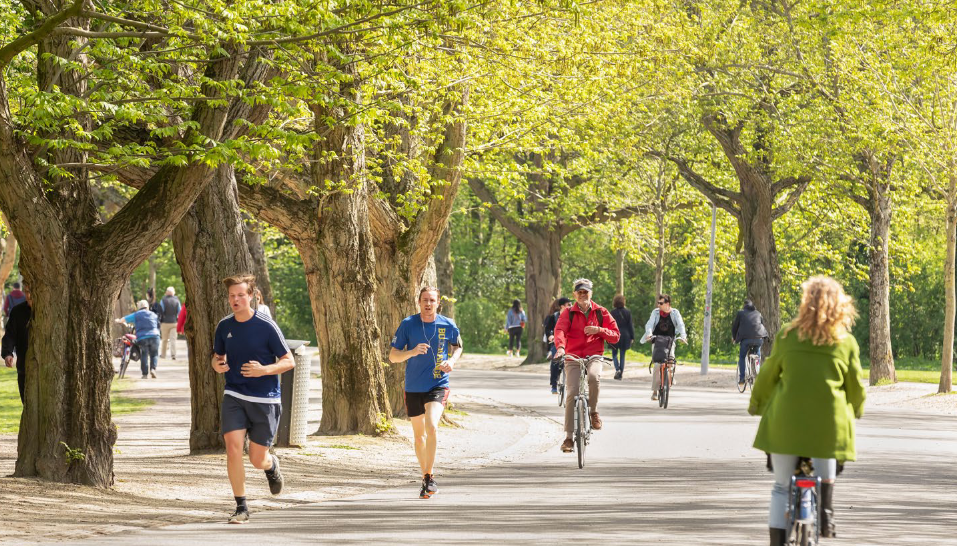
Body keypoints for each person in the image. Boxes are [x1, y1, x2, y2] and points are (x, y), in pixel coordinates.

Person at [749, 276, 866, 545]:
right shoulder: (846, 343)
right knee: (827, 467)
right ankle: (826, 514)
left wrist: (757, 404)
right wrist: (857, 409)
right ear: (840, 306)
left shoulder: (787, 336)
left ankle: (777, 542)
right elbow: (855, 387)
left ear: (805, 304)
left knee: (780, 488)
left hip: (785, 427)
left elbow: (768, 376)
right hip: (828, 428)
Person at [212, 274, 294, 524]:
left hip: (265, 399)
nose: (235, 300)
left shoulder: (266, 325)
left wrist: (264, 370)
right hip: (235, 394)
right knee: (233, 448)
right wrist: (218, 365)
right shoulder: (224, 326)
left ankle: (271, 466)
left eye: (240, 295)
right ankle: (241, 507)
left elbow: (288, 361)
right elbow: (217, 358)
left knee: (257, 458)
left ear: (252, 297)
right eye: (231, 296)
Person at [389, 287, 463, 499]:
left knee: (432, 426)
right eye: (424, 300)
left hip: (438, 383)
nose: (428, 304)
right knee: (419, 437)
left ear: (438, 303)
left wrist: (452, 360)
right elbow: (393, 356)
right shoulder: (408, 324)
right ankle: (426, 477)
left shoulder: (447, 324)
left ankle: (429, 478)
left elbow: (458, 346)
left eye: (432, 300)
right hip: (413, 386)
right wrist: (412, 351)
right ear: (419, 302)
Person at [553, 279, 620, 453]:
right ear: (574, 294)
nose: (583, 295)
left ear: (591, 293)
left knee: (593, 377)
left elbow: (615, 336)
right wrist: (560, 348)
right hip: (572, 356)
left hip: (594, 355)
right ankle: (568, 437)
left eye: (586, 292)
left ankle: (593, 411)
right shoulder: (568, 313)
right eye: (579, 292)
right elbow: (559, 330)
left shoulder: (601, 312)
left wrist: (599, 330)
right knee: (572, 392)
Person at [640, 294, 687, 400]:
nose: (658, 305)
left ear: (667, 304)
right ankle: (655, 391)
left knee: (671, 361)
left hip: (670, 341)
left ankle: (670, 376)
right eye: (658, 303)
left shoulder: (675, 313)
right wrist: (649, 333)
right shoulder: (655, 312)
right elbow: (649, 324)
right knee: (657, 365)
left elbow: (680, 325)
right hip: (657, 341)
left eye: (661, 303)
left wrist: (683, 336)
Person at [115, 300, 162, 378]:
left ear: (139, 307)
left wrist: (118, 320)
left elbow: (123, 319)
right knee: (154, 354)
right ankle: (153, 369)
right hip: (155, 336)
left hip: (143, 337)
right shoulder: (153, 315)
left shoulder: (136, 315)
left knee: (144, 354)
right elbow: (158, 324)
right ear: (148, 307)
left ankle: (145, 374)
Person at [1, 281, 31, 402]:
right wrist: (8, 353)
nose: (30, 296)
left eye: (32, 292)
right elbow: (10, 335)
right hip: (24, 368)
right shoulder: (18, 312)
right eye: (27, 292)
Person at [732, 299, 769, 389]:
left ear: (744, 306)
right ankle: (758, 369)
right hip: (759, 339)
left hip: (746, 340)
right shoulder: (758, 313)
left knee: (742, 356)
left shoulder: (741, 313)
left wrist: (734, 338)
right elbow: (761, 325)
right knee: (757, 353)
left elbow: (735, 327)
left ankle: (741, 379)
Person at [544, 297, 571, 393]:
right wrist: (550, 336)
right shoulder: (554, 317)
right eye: (568, 305)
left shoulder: (572, 316)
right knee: (555, 361)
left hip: (570, 343)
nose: (570, 306)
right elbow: (547, 329)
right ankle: (554, 385)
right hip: (557, 343)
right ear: (562, 306)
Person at [609, 294, 635, 381]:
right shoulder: (627, 312)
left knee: (614, 354)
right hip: (625, 335)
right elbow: (630, 325)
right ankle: (621, 373)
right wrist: (632, 337)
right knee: (622, 355)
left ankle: (617, 369)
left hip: (614, 334)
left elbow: (609, 325)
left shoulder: (612, 312)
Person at [158, 287, 181, 360]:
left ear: (166, 292)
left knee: (164, 340)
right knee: (173, 340)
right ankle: (173, 355)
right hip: (174, 323)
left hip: (165, 323)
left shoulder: (163, 300)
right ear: (173, 293)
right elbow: (179, 312)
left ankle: (163, 355)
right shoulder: (177, 301)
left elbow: (160, 311)